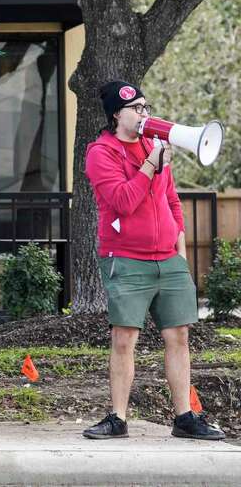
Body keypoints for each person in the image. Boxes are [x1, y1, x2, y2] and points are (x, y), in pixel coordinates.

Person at [81, 81, 224, 441]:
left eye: (146, 106)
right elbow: (122, 202)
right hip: (127, 258)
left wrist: (181, 252)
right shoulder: (101, 152)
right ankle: (117, 418)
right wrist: (149, 165)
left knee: (179, 335)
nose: (144, 114)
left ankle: (184, 417)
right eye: (136, 108)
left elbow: (172, 201)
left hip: (169, 258)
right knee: (124, 336)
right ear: (117, 114)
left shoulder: (153, 145)